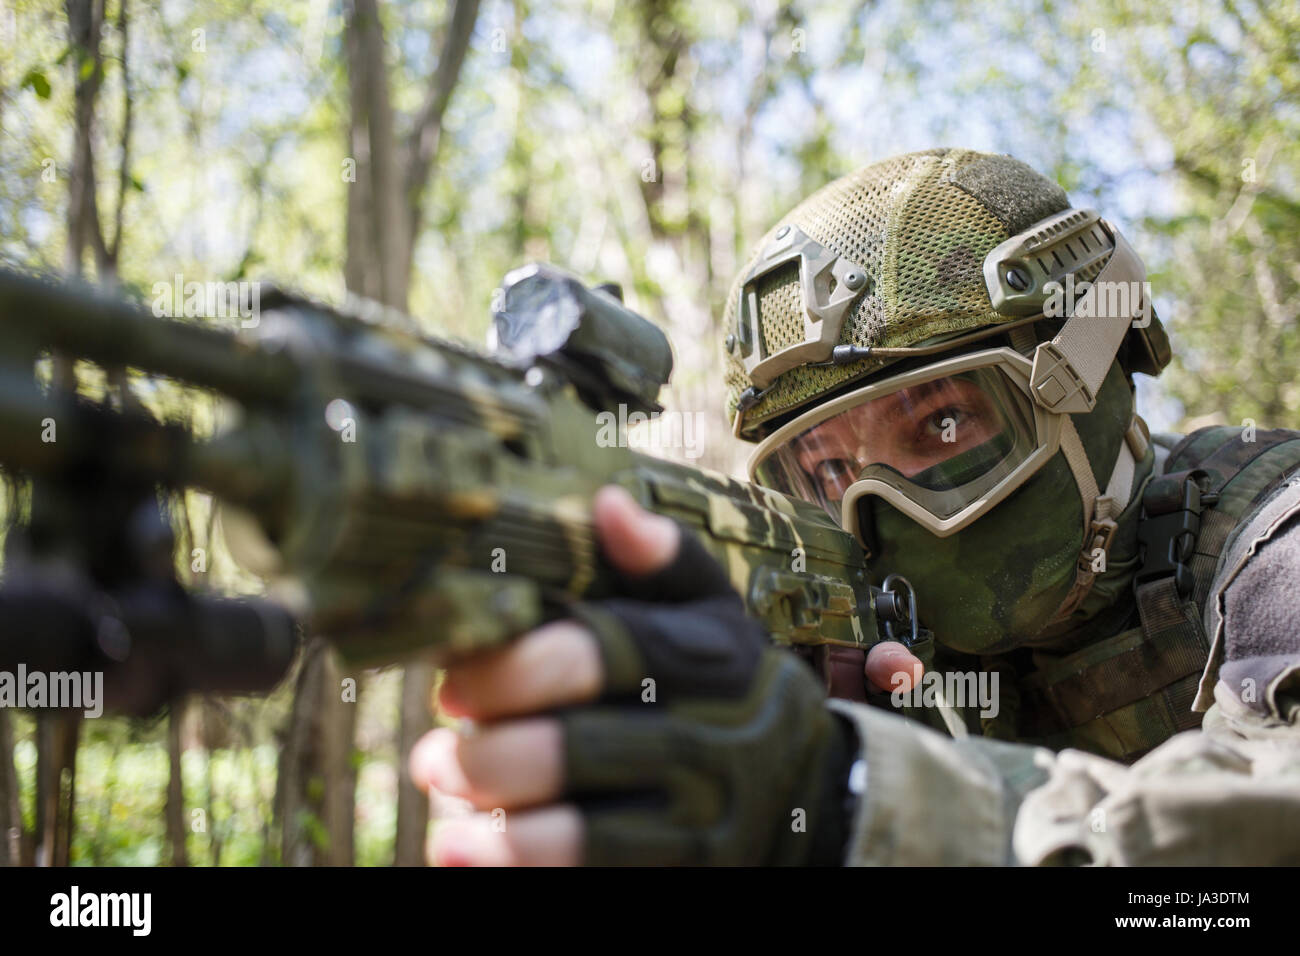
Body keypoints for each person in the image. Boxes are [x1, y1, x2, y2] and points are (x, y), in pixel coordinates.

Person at [409, 148, 1300, 865]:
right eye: (829, 472)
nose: (881, 511)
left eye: (943, 423)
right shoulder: (864, 636)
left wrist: (853, 796)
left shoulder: (1269, 539)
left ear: (1086, 380)